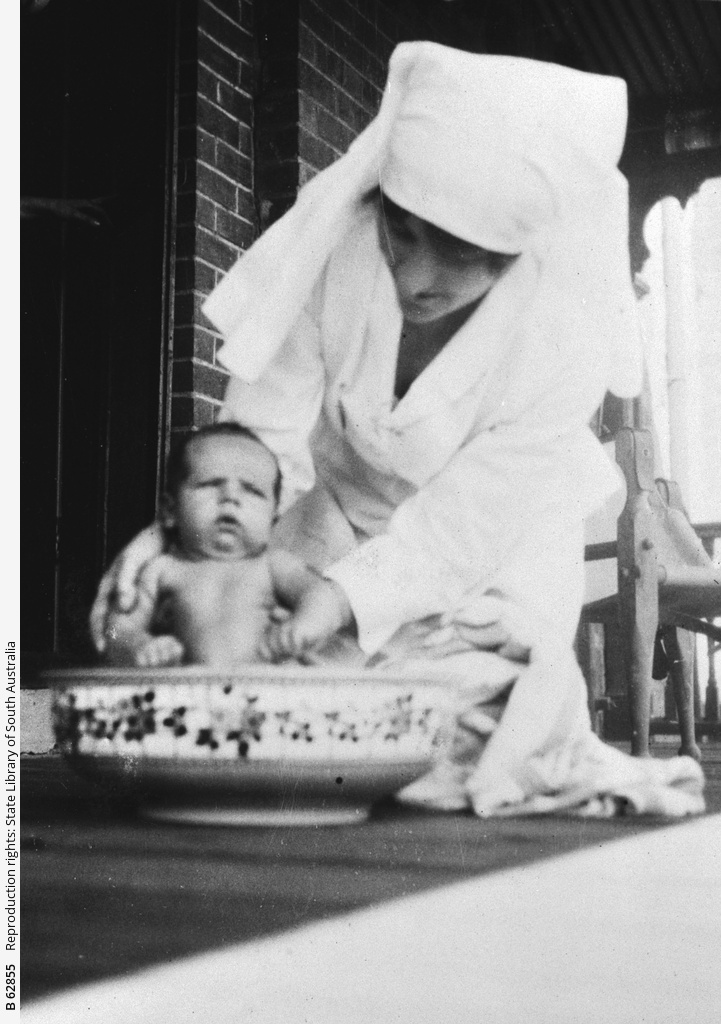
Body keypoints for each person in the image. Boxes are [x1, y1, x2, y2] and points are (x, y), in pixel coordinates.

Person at [92, 42, 704, 816]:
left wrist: (339, 603)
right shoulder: (333, 254)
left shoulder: (564, 337)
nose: (416, 277)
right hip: (328, 522)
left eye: (462, 255)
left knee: (477, 723)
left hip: (491, 556)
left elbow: (454, 533)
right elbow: (264, 444)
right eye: (403, 233)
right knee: (229, 655)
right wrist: (182, 541)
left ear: (522, 250)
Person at [103, 423, 359, 668]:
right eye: (211, 484)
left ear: (274, 517)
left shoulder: (272, 566)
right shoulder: (162, 570)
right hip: (187, 699)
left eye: (252, 490)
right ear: (170, 509)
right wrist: (139, 646)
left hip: (264, 698)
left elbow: (323, 595)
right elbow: (116, 629)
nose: (231, 498)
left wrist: (305, 625)